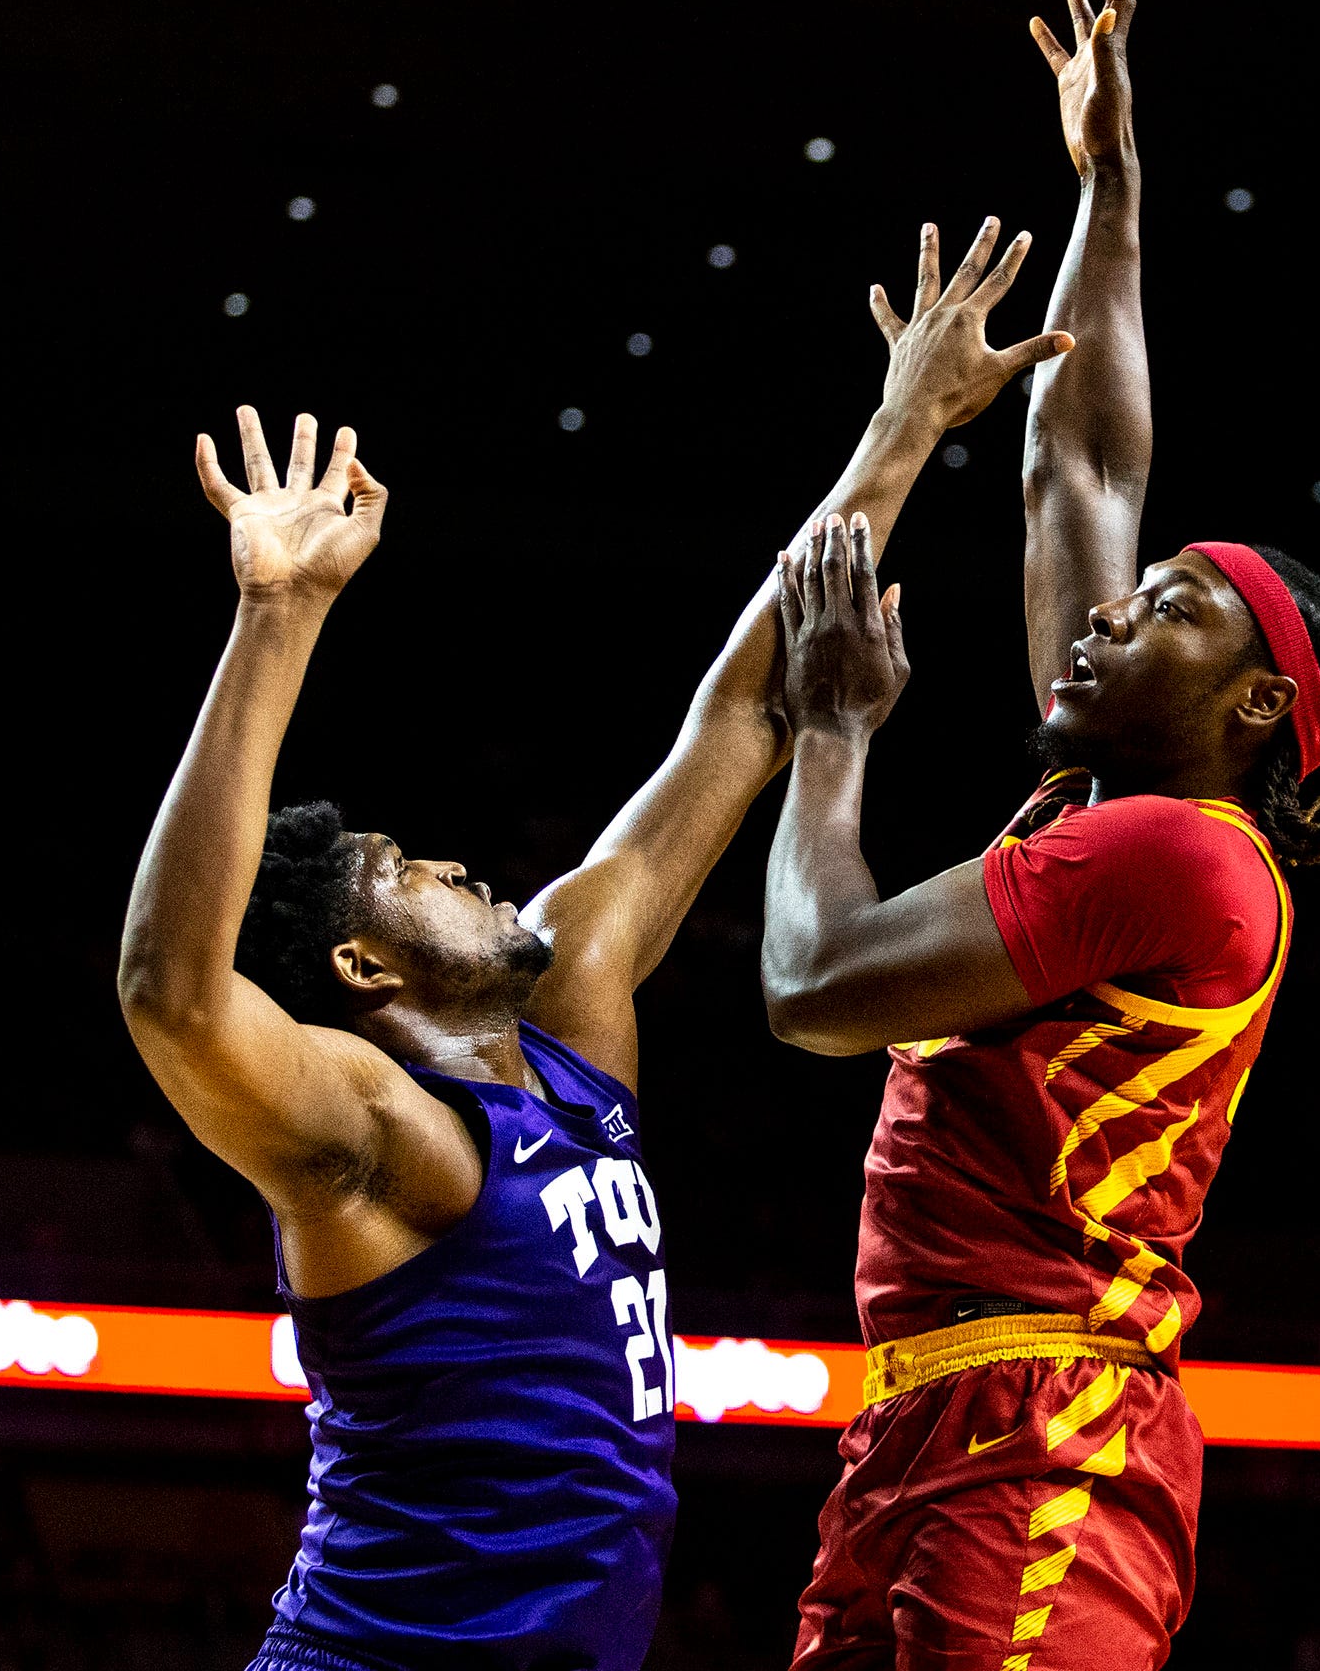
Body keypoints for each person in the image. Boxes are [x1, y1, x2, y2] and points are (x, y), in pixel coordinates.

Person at [112, 218, 1071, 1671]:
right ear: (365, 973)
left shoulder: (573, 1026)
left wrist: (904, 424)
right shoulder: (378, 1134)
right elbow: (170, 991)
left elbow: (740, 719)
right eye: (404, 875)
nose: (453, 863)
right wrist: (278, 612)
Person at [761, 0, 1320, 1669]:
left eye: (1173, 608)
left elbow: (810, 985)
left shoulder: (1177, 852)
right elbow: (1080, 464)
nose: (1117, 608)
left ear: (1258, 708)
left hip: (1049, 1441)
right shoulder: (1098, 800)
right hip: (930, 1425)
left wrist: (834, 731)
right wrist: (1108, 172)